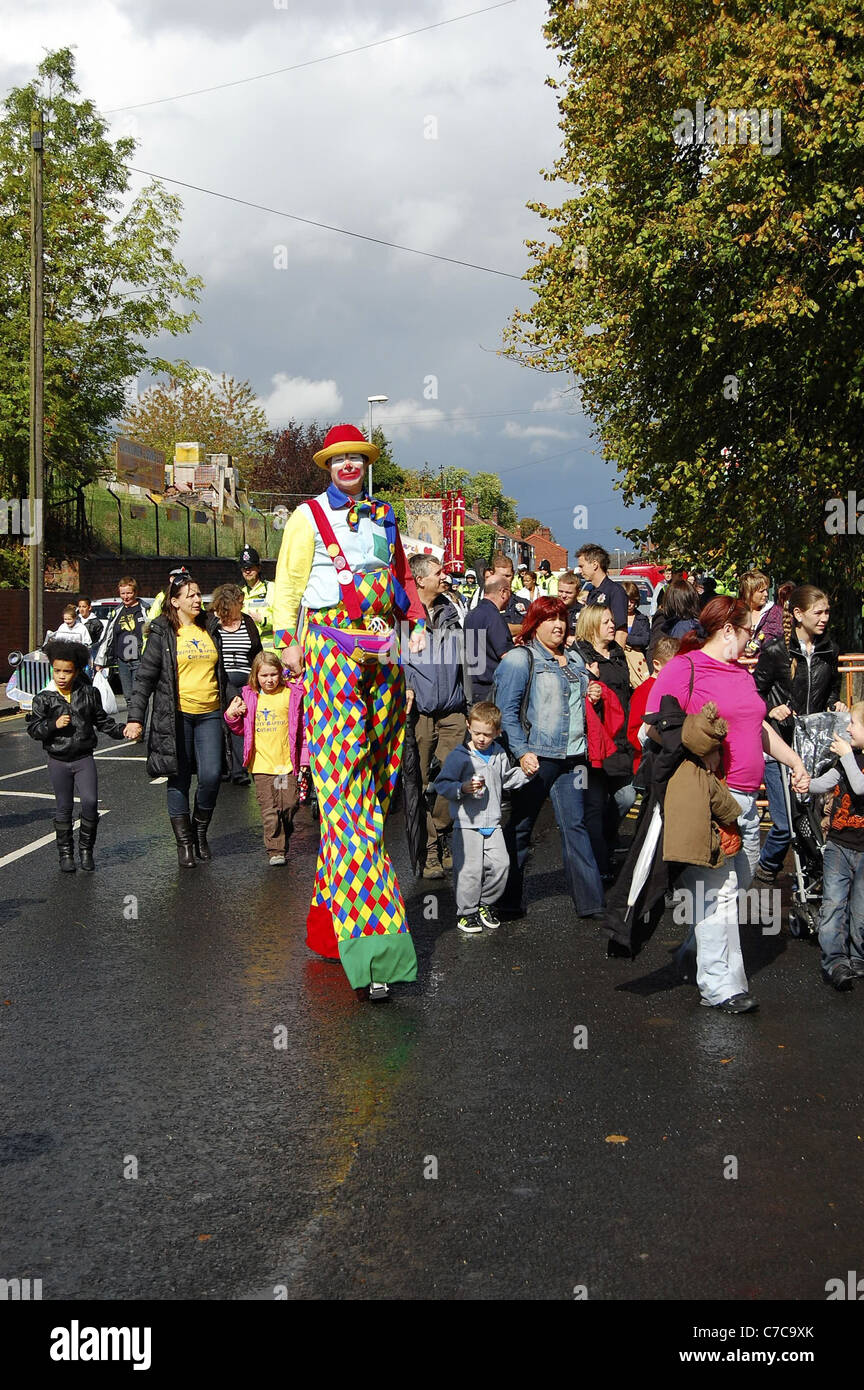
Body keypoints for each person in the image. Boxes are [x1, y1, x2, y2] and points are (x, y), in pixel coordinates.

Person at [271, 422, 425, 1002]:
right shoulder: (306, 517)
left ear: (366, 462)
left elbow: (403, 582)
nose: (348, 467)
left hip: (382, 651)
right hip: (331, 647)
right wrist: (286, 640)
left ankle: (327, 927)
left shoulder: (386, 516)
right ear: (327, 466)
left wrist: (409, 636)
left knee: (375, 785)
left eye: (356, 458)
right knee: (345, 794)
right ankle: (375, 947)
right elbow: (288, 583)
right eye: (338, 459)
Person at [647, 596, 810, 1013]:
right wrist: (696, 750)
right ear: (728, 630)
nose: (753, 641)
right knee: (716, 894)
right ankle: (720, 987)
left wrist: (793, 762)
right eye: (748, 632)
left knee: (734, 889)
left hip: (744, 804)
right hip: (708, 799)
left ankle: (697, 951)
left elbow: (756, 727)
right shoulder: (685, 668)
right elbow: (649, 729)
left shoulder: (740, 672)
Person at [493, 596, 606, 919]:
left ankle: (591, 903)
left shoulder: (572, 657)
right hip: (537, 758)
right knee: (520, 828)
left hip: (572, 757)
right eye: (549, 619)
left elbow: (580, 694)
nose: (558, 625)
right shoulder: (519, 659)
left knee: (575, 826)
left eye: (562, 618)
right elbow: (506, 713)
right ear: (535, 623)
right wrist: (522, 751)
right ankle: (506, 901)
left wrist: (591, 690)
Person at [123, 575, 232, 868]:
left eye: (199, 594)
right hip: (176, 716)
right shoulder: (162, 632)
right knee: (178, 777)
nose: (198, 600)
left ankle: (199, 831)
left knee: (211, 775)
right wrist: (135, 718)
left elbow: (221, 672)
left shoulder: (210, 628)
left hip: (210, 713)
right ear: (175, 602)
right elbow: (144, 678)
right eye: (191, 596)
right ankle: (184, 845)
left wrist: (234, 698)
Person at [752, 583, 845, 884]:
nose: (824, 618)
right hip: (779, 743)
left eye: (827, 612)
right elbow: (754, 694)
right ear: (798, 614)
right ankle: (767, 865)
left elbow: (831, 691)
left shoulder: (829, 650)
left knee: (810, 818)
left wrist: (836, 704)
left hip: (815, 746)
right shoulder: (776, 651)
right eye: (818, 612)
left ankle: (809, 876)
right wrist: (771, 709)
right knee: (786, 822)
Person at [26, 638, 125, 872]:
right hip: (58, 760)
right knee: (64, 807)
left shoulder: (89, 693)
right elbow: (34, 729)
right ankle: (66, 854)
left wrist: (123, 730)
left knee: (90, 802)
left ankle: (85, 850)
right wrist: (53, 724)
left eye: (67, 671)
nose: (61, 676)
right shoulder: (44, 697)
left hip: (83, 758)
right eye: (57, 670)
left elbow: (102, 721)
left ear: (77, 671)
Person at [434, 701, 533, 933]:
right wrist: (462, 788)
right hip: (467, 824)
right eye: (477, 732)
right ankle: (466, 913)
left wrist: (526, 774)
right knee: (469, 870)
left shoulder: (498, 753)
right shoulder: (460, 756)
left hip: (493, 823)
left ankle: (485, 904)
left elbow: (507, 778)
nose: (481, 739)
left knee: (502, 865)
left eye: (487, 734)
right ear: (468, 726)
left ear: (497, 733)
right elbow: (442, 784)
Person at [405, 555, 468, 879]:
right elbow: (393, 659)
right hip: (421, 713)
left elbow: (468, 658)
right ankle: (431, 850)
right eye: (438, 572)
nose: (445, 576)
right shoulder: (403, 615)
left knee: (450, 776)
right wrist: (406, 687)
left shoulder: (452, 609)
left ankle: (442, 831)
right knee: (421, 782)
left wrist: (470, 704)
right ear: (419, 580)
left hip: (454, 709)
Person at [575, 603, 636, 878]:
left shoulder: (617, 653)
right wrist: (590, 679)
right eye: (607, 622)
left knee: (626, 796)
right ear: (592, 625)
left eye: (613, 621)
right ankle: (598, 865)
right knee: (594, 805)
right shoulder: (581, 655)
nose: (613, 626)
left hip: (620, 738)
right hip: (596, 740)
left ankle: (607, 842)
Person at [224, 651, 300, 867]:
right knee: (270, 811)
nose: (269, 680)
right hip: (262, 766)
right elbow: (240, 729)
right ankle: (276, 850)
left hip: (285, 764)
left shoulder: (290, 694)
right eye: (264, 676)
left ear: (281, 674)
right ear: (255, 677)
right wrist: (231, 715)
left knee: (289, 805)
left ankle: (284, 830)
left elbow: (300, 728)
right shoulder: (249, 696)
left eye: (273, 674)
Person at [807, 706, 864, 990]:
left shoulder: (850, 759)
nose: (848, 728)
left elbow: (861, 786)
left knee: (861, 911)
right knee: (833, 904)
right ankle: (835, 962)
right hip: (839, 845)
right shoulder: (847, 760)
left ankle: (857, 957)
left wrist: (847, 756)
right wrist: (805, 784)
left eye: (854, 724)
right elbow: (827, 782)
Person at [210, 582, 263, 786]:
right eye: (239, 603)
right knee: (226, 720)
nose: (242, 606)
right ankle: (227, 767)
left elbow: (256, 650)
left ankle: (239, 768)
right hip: (222, 679)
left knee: (241, 722)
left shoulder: (247, 622)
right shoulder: (212, 623)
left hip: (246, 679)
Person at [93, 577, 150, 727]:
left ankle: (139, 727)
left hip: (140, 660)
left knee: (139, 696)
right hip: (122, 661)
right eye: (123, 593)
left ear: (135, 592)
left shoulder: (145, 610)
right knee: (129, 697)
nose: (126, 597)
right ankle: (133, 724)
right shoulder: (117, 611)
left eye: (129, 593)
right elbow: (108, 637)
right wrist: (101, 661)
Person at [627, 636, 680, 771]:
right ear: (657, 664)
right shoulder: (643, 691)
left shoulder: (676, 688)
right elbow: (633, 732)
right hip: (648, 766)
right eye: (673, 667)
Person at [464, 572, 515, 704]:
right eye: (510, 592)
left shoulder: (471, 615)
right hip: (491, 689)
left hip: (473, 686)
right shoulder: (494, 617)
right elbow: (506, 655)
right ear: (503, 592)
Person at [576, 543, 629, 647]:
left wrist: (616, 660)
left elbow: (621, 631)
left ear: (595, 564)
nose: (580, 571)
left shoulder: (615, 591)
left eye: (582, 566)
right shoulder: (592, 592)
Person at [739, 570, 784, 659]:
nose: (766, 594)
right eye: (761, 591)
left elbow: (776, 644)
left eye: (766, 590)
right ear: (749, 592)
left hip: (765, 667)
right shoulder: (736, 612)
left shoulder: (776, 613)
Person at [239, 546, 275, 644]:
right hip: (248, 650)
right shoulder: (239, 592)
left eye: (250, 567)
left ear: (258, 568)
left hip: (269, 649)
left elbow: (284, 618)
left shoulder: (272, 588)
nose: (247, 571)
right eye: (244, 568)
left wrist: (263, 620)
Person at [556, 570, 583, 645]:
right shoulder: (551, 611)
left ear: (578, 592)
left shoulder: (585, 613)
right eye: (560, 591)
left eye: (568, 593)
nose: (563, 596)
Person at [621, 581, 650, 652]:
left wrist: (624, 637)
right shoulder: (613, 617)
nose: (629, 604)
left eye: (632, 601)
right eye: (626, 600)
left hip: (635, 660)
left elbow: (645, 640)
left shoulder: (642, 619)